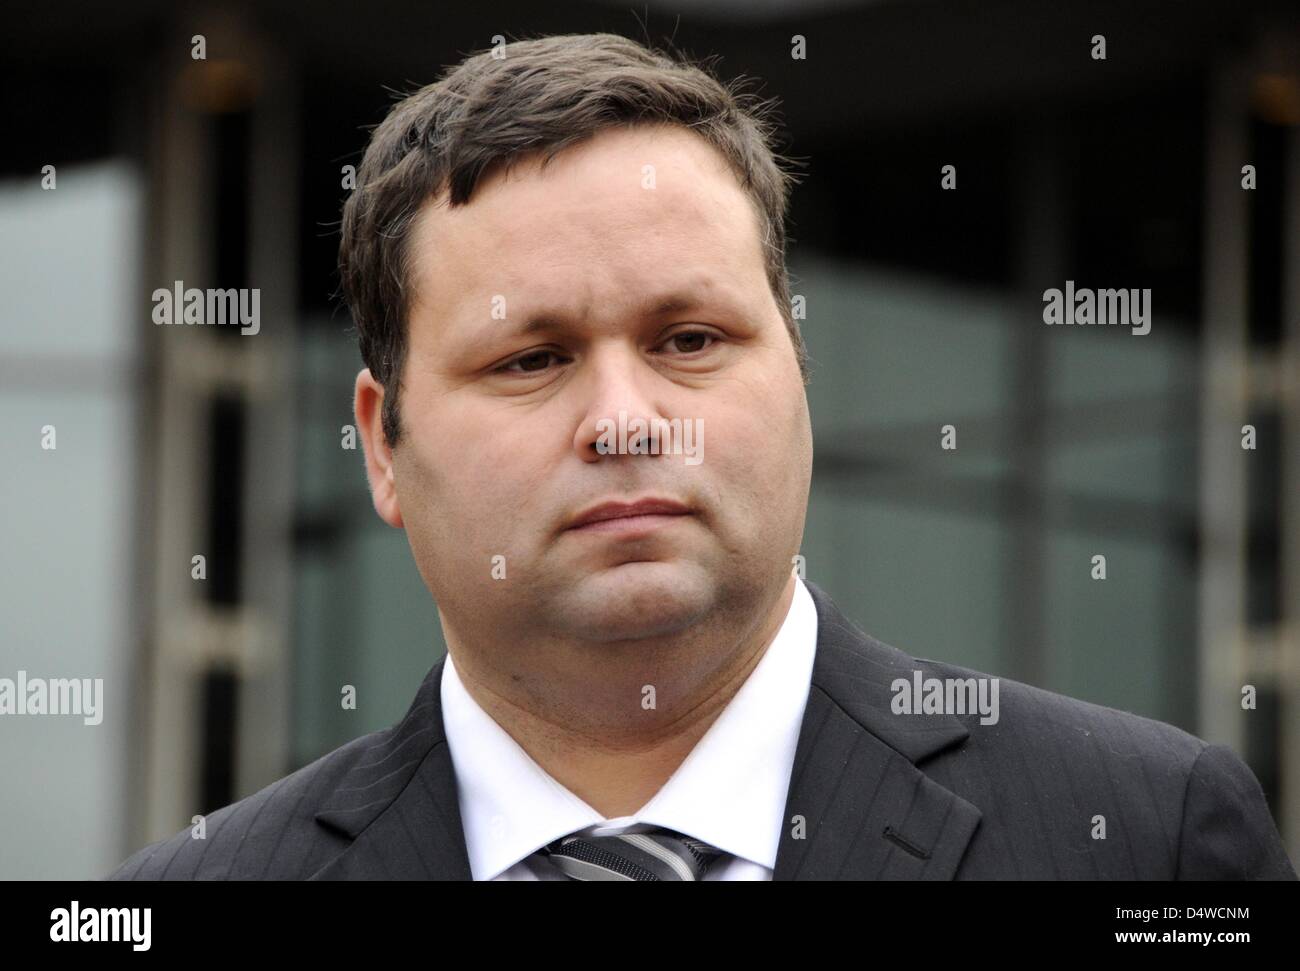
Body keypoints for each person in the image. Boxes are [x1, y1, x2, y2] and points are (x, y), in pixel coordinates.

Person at [108, 32, 1295, 881]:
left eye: (689, 339)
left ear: (796, 372)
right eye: (531, 357)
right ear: (382, 442)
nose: (627, 419)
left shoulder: (1147, 835)